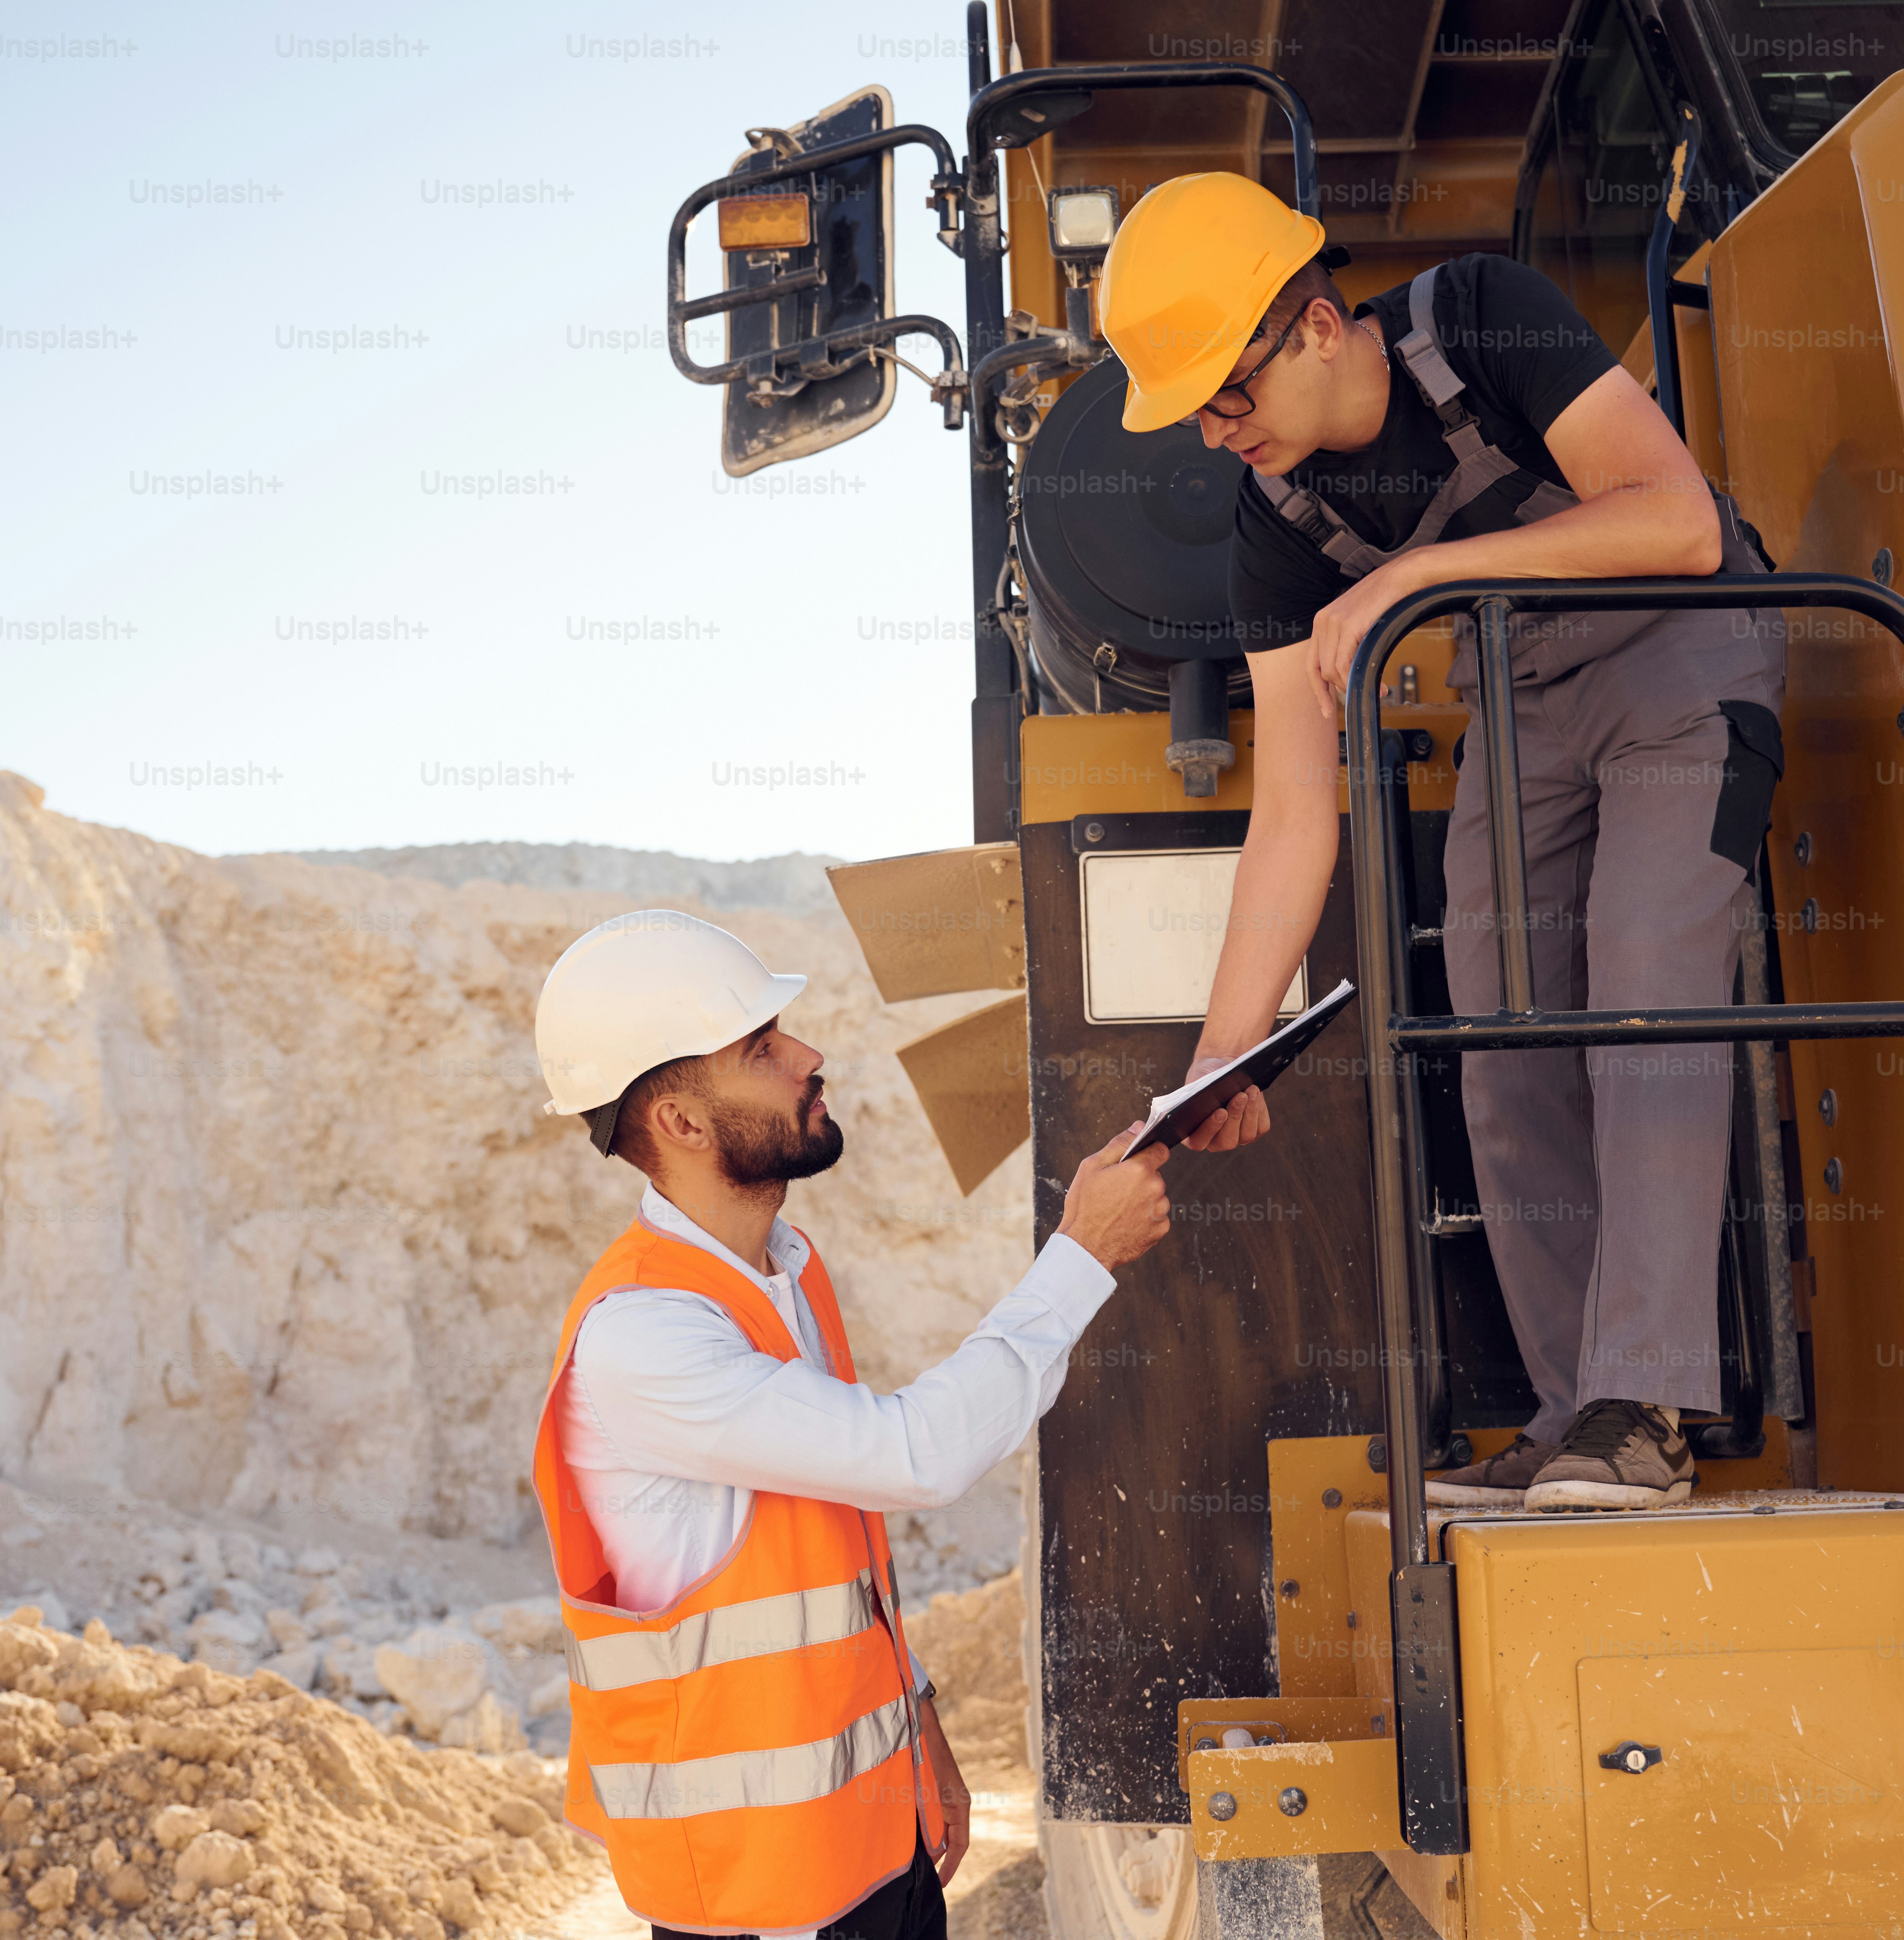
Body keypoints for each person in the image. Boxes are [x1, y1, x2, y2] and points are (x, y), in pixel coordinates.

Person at [1099, 173, 1782, 1513]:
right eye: (1191, 410)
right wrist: (1220, 1058)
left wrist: (1416, 574)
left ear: (1308, 322)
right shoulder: (1276, 531)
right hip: (1523, 711)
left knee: (1647, 980)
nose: (1213, 428)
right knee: (1498, 1018)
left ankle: (1642, 1404)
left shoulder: (1481, 319)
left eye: (1225, 391)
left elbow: (1676, 519)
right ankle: (1570, 1405)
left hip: (1683, 667)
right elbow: (1296, 811)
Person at [526, 910, 1172, 1939]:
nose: (808, 1055)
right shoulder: (644, 1336)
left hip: (872, 1854)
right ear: (684, 1124)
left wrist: (920, 1730)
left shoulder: (783, 1267)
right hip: (756, 1897)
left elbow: (837, 1546)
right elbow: (915, 1454)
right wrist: (1082, 1254)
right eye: (762, 1047)